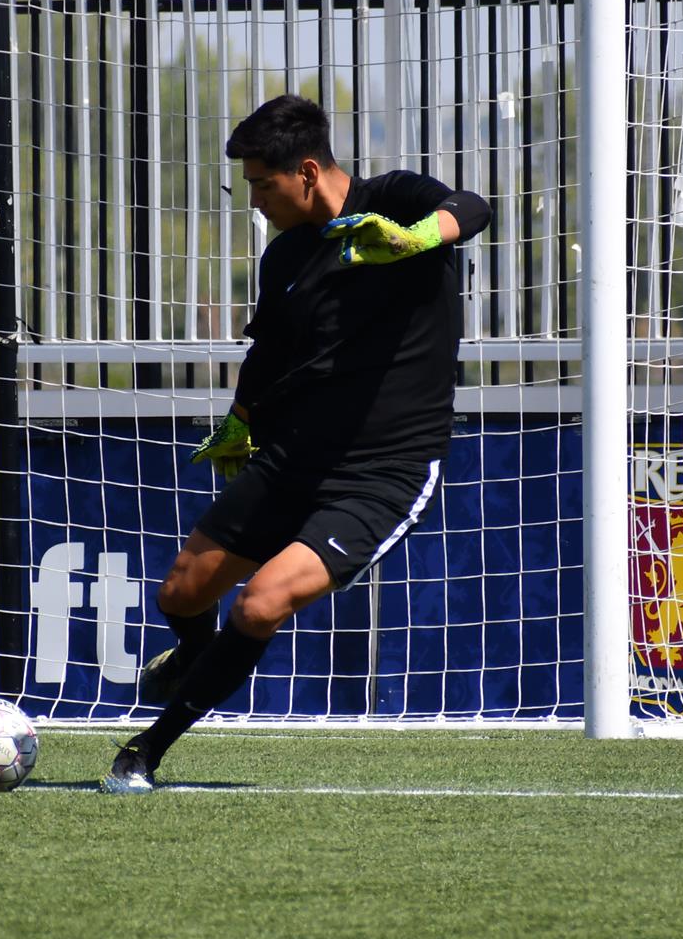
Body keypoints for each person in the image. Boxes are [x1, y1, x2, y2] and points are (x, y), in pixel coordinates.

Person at [103, 94, 492, 793]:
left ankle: (148, 749)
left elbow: (473, 207)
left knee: (258, 604)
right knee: (183, 593)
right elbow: (268, 351)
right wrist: (240, 419)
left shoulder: (394, 201)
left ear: (307, 171)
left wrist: (415, 238)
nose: (253, 199)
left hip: (385, 470)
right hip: (292, 458)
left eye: (260, 183)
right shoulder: (284, 256)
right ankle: (193, 660)